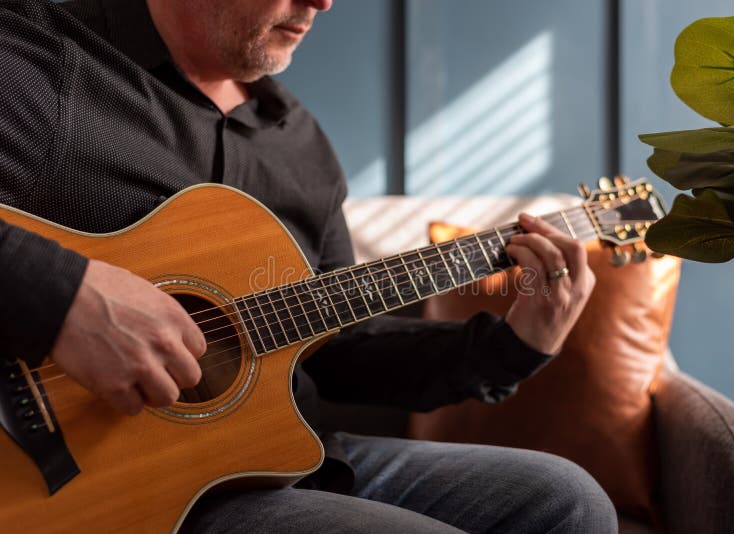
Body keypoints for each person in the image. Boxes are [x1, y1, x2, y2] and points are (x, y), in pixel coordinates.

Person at [0, 0, 617, 531]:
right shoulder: (37, 56)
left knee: (568, 502)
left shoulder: (299, 145)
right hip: (104, 486)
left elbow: (335, 348)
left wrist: (514, 345)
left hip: (284, 456)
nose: (324, 2)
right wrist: (67, 296)